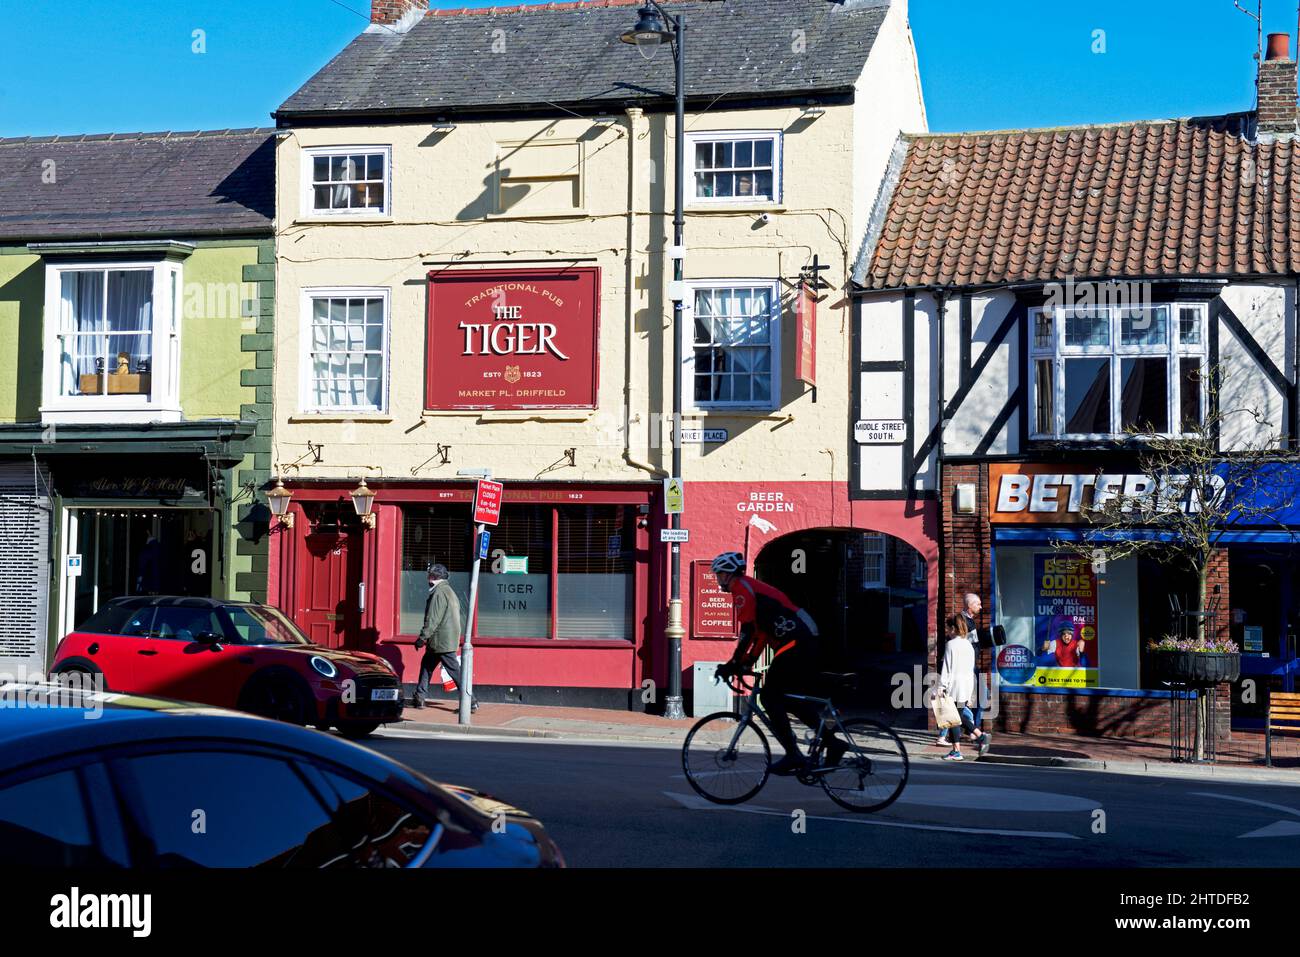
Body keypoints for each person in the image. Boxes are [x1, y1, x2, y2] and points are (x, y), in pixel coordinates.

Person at [711, 551, 833, 776]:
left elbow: (747, 631)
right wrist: (747, 661)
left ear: (728, 574)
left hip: (797, 640)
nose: (717, 580)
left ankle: (793, 754)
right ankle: (832, 744)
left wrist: (734, 662)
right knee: (788, 700)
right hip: (799, 639)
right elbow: (761, 633)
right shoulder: (749, 587)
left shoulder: (741, 588)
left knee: (769, 696)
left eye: (718, 575)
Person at [413, 563, 478, 712]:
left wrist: (422, 637)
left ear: (435, 577)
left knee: (454, 671)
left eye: (429, 576)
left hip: (440, 641)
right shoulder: (448, 591)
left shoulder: (439, 593)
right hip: (444, 640)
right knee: (427, 666)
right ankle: (420, 697)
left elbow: (433, 618)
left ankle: (471, 701)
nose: (428, 579)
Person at [939, 613, 991, 760]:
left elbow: (947, 669)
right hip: (966, 686)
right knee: (955, 717)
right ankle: (967, 744)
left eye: (948, 629)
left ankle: (978, 738)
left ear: (954, 629)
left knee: (954, 718)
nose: (947, 632)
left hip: (954, 686)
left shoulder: (950, 645)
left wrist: (941, 687)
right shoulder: (968, 645)